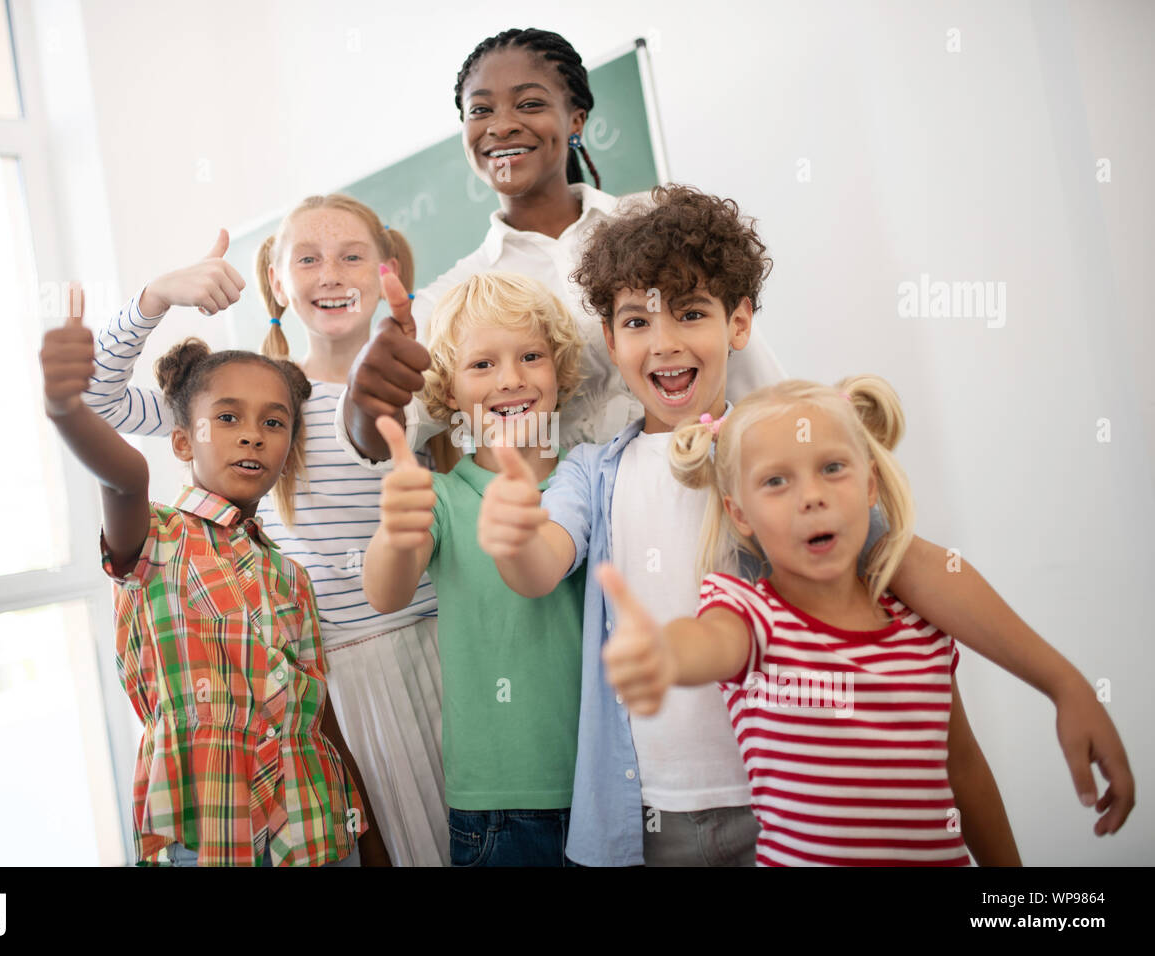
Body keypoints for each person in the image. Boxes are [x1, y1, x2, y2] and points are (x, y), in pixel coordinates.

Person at [478, 184, 1134, 866]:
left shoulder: (780, 452)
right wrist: (516, 534)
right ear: (610, 340)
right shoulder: (593, 472)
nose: (665, 343)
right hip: (647, 823)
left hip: (785, 814)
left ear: (739, 323)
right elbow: (539, 567)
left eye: (691, 313)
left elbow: (914, 562)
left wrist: (1063, 684)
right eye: (638, 323)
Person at [82, 197, 449, 866]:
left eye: (351, 256)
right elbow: (99, 402)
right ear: (277, 283)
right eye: (306, 259)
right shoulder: (264, 397)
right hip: (339, 673)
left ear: (386, 268)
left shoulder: (419, 387)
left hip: (438, 645)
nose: (330, 274)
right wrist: (157, 296)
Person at [600, 375, 1025, 865]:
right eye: (776, 481)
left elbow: (963, 768)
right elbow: (706, 641)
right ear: (740, 514)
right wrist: (663, 653)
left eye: (831, 468)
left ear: (870, 485)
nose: (811, 497)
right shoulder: (752, 618)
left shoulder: (921, 628)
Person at [335, 27, 786, 466]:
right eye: (480, 111)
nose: (503, 125)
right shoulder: (457, 297)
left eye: (530, 104)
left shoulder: (659, 227)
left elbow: (760, 388)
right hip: (567, 534)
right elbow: (381, 437)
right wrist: (364, 395)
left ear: (575, 120)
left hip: (714, 489)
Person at [39, 286, 381, 865]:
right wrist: (66, 409)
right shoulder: (153, 539)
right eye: (227, 418)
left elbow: (320, 720)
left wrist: (372, 848)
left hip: (320, 834)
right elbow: (125, 477)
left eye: (274, 423)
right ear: (182, 440)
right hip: (211, 842)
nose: (252, 434)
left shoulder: (289, 575)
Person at [363, 272, 585, 866]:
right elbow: (385, 592)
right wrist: (397, 529)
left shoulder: (591, 479)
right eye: (482, 365)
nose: (511, 378)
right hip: (496, 807)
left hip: (607, 790)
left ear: (560, 373)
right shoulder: (441, 496)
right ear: (449, 394)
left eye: (531, 356)